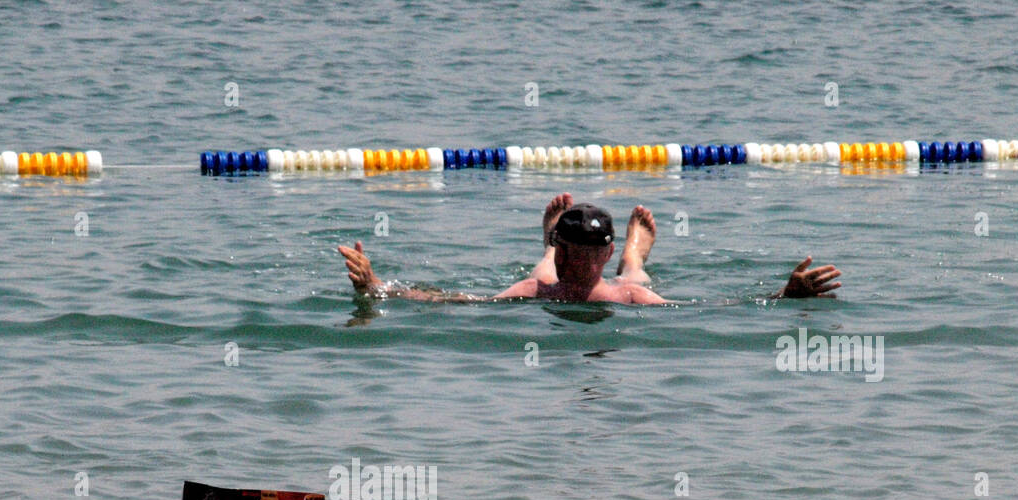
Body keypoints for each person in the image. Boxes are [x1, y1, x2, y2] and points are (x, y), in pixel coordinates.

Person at [337, 194, 841, 304]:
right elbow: (456, 302)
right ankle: (553, 231)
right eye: (562, 249)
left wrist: (784, 295)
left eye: (577, 253)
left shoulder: (629, 300)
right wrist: (378, 288)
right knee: (543, 276)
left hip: (620, 283)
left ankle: (636, 255)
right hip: (575, 283)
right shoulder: (538, 287)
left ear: (599, 254)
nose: (567, 261)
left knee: (637, 279)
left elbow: (716, 309)